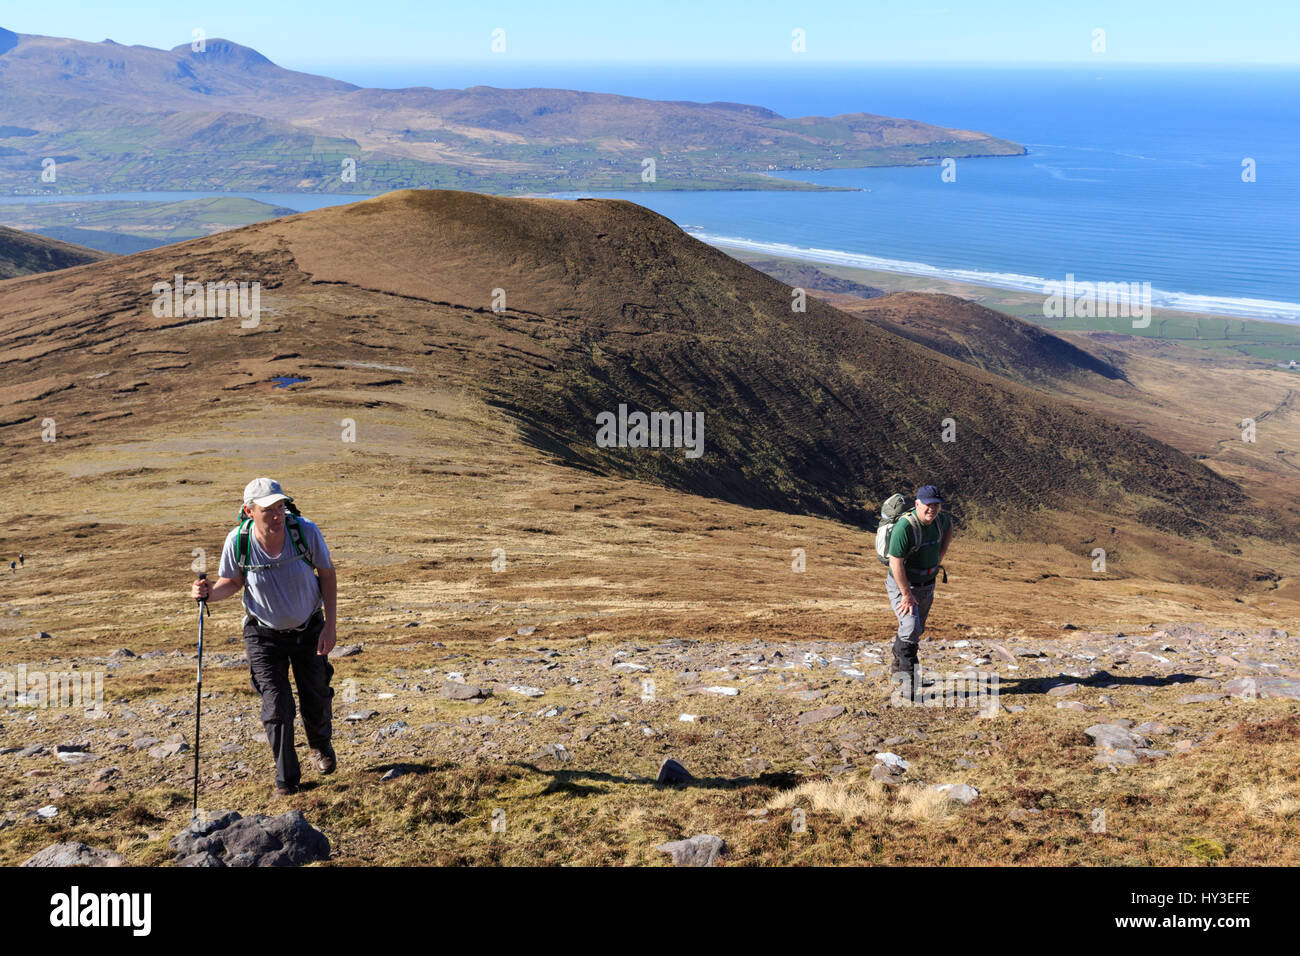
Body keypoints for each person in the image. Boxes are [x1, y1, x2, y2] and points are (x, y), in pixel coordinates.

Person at [190, 478, 338, 797]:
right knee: (277, 703)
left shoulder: (305, 532)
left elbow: (327, 574)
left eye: (280, 506)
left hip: (309, 626)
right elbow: (231, 582)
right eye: (268, 509)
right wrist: (208, 594)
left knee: (315, 692)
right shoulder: (239, 541)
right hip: (262, 634)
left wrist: (331, 626)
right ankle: (288, 780)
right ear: (249, 511)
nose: (277, 514)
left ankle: (320, 746)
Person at [886, 485, 953, 702]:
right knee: (910, 627)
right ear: (917, 504)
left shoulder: (941, 521)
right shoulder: (904, 528)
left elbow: (949, 529)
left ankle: (897, 669)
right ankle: (909, 686)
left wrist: (937, 559)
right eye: (928, 504)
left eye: (936, 505)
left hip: (927, 584)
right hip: (904, 585)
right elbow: (895, 562)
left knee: (916, 628)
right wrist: (906, 594)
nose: (932, 509)